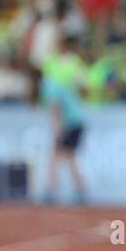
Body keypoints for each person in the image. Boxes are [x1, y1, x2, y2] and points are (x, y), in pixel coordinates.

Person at [39, 33, 89, 205]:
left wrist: (57, 130)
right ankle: (76, 191)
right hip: (76, 121)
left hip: (71, 123)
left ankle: (53, 191)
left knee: (62, 155)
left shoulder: (49, 85)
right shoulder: (57, 83)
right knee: (67, 156)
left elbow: (56, 109)